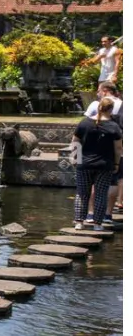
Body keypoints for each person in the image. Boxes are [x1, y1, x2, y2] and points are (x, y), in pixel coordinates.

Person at [71, 96, 122, 232]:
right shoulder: (113, 126)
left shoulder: (84, 123)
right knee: (101, 194)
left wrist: (75, 158)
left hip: (84, 164)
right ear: (110, 109)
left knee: (82, 193)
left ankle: (79, 222)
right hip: (104, 165)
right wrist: (116, 164)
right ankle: (98, 224)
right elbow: (118, 148)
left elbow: (75, 141)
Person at [85, 82, 124, 220]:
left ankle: (90, 213)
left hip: (93, 150)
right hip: (115, 149)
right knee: (114, 181)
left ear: (105, 91)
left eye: (98, 91)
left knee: (94, 183)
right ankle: (108, 213)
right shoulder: (122, 104)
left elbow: (85, 126)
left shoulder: (95, 104)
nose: (97, 93)